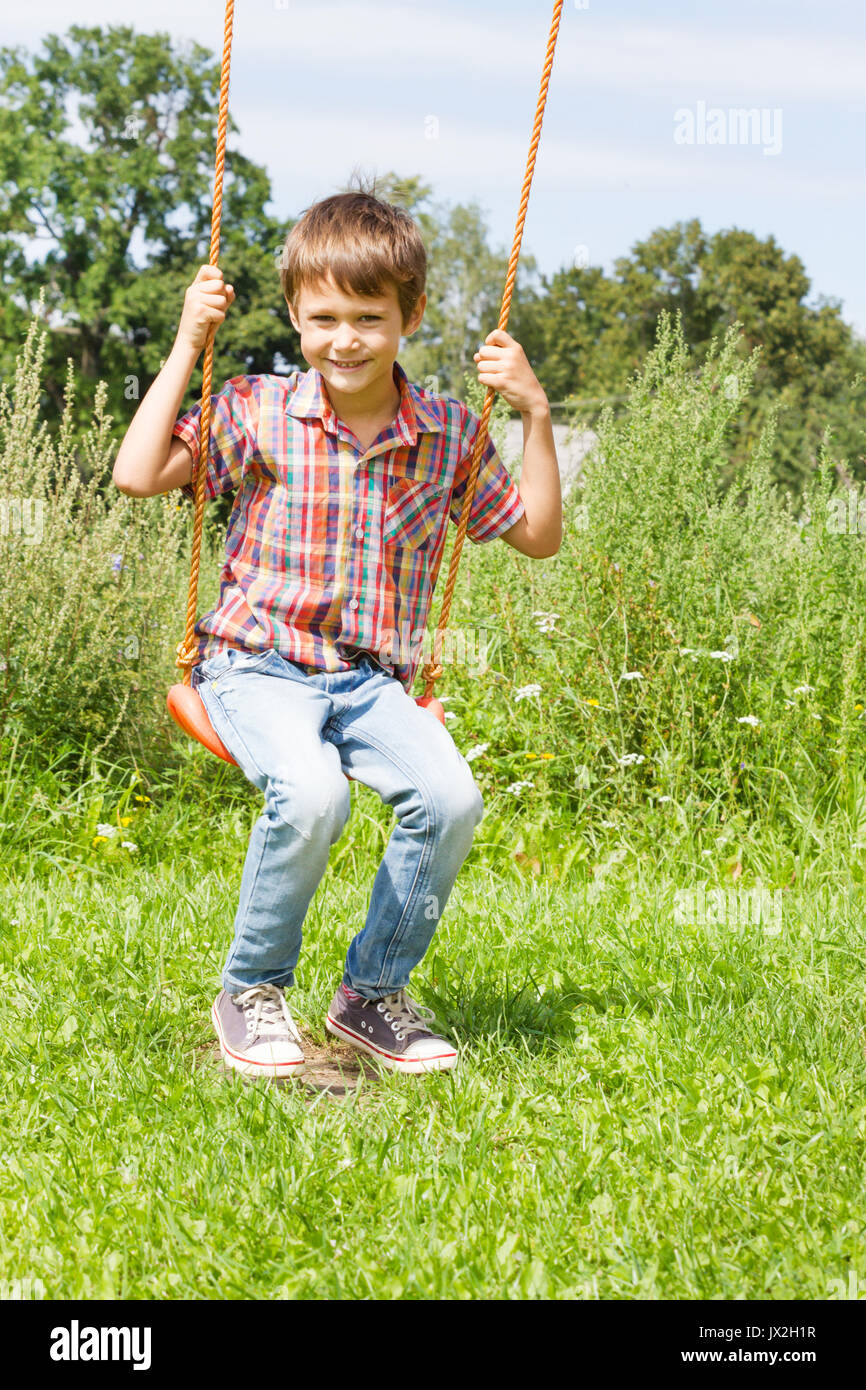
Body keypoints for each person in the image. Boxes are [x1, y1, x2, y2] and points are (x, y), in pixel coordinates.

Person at [112, 187, 562, 1078]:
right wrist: (186, 343)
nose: (344, 339)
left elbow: (538, 537)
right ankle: (252, 989)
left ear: (411, 315)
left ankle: (370, 996)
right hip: (254, 664)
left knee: (451, 800)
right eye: (323, 319)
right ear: (293, 316)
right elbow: (135, 474)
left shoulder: (448, 434)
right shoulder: (256, 409)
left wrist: (535, 414)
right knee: (314, 796)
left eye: (368, 316)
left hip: (366, 680)